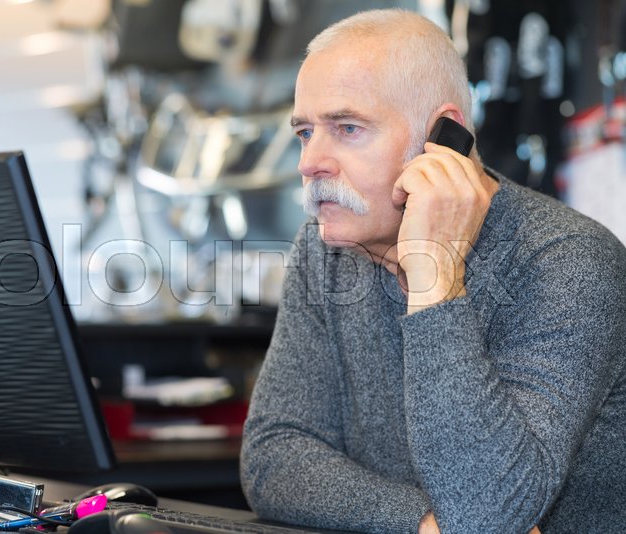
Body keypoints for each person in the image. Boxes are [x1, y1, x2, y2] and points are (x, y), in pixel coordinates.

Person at [240, 8, 626, 534]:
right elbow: (272, 457)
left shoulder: (569, 260)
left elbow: (490, 513)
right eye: (306, 132)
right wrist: (420, 524)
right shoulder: (324, 249)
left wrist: (435, 276)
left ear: (443, 137)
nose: (310, 162)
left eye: (347, 128)